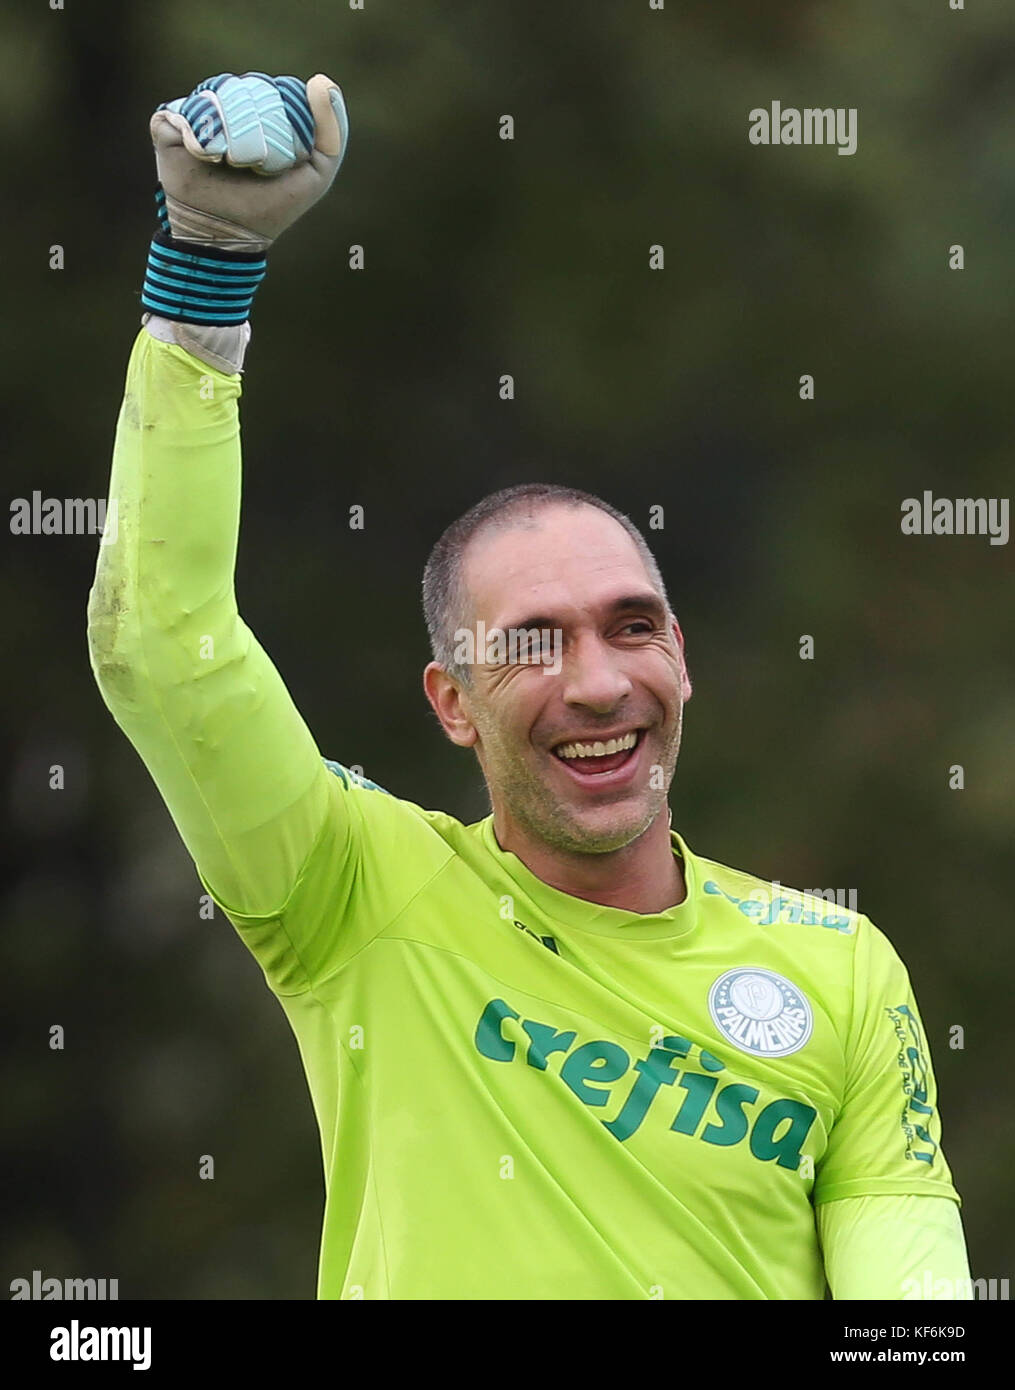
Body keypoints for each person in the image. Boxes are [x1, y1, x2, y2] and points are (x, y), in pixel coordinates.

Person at [88, 71, 971, 1300]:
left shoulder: (841, 967)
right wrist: (206, 277)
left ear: (683, 660)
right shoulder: (357, 898)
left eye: (631, 626)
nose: (600, 683)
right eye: (534, 644)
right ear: (451, 703)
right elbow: (160, 641)